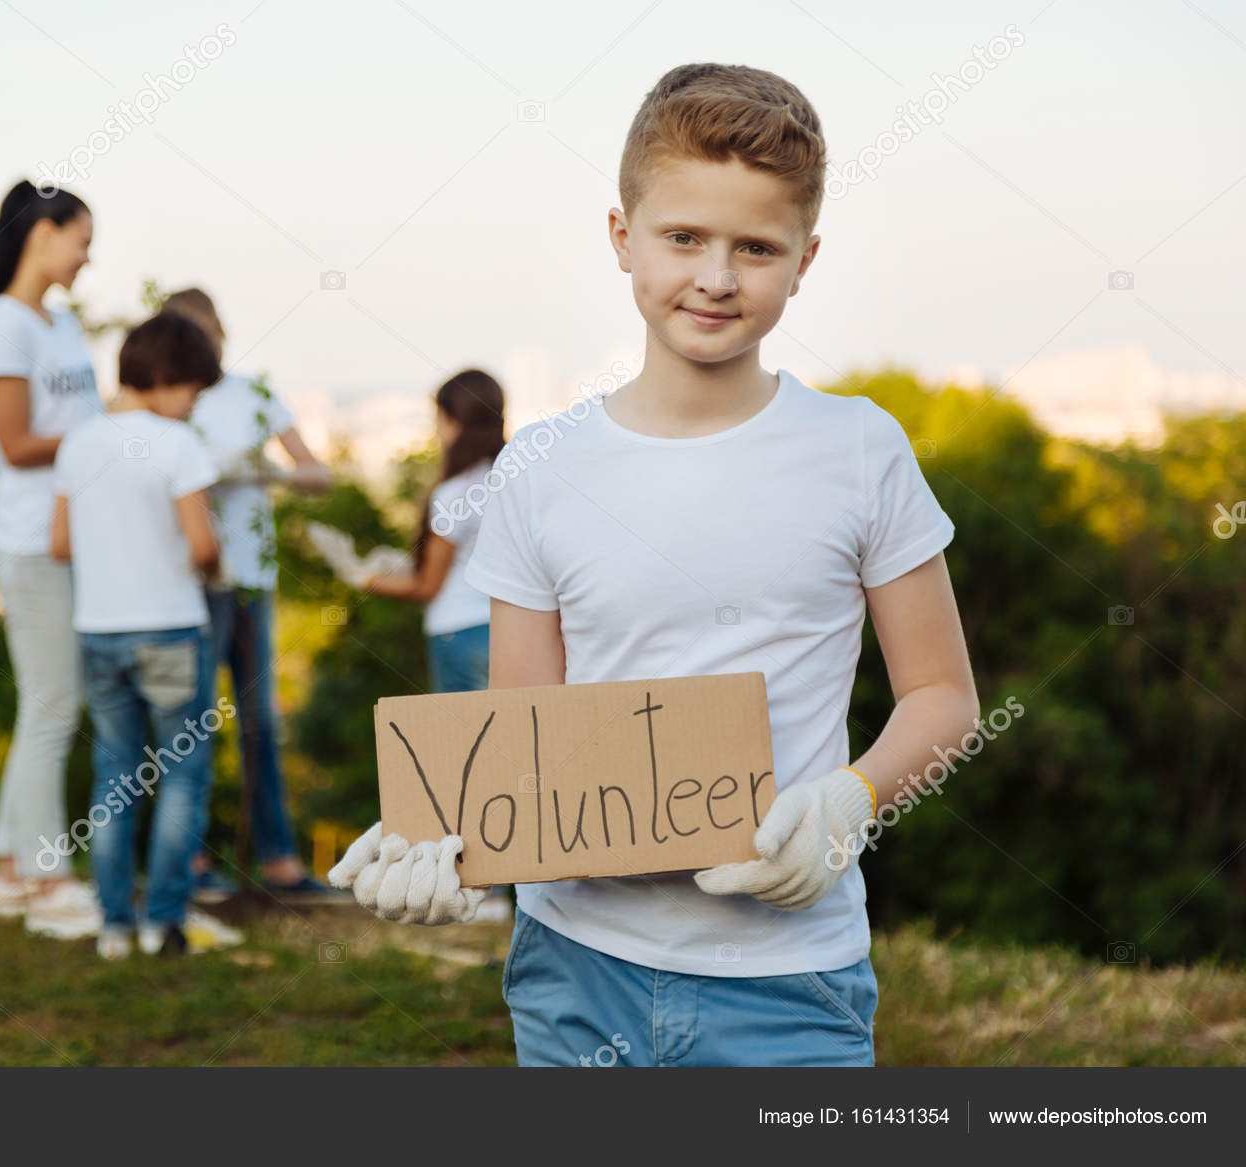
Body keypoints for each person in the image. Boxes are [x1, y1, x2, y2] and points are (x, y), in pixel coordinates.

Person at [330, 63, 981, 1066]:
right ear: (621, 237)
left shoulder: (860, 449)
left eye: (755, 248)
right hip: (574, 972)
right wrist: (440, 847)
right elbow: (519, 741)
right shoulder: (539, 472)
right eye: (684, 237)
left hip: (788, 979)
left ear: (804, 260)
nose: (715, 277)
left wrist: (850, 800)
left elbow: (942, 697)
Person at [50, 312, 239, 959]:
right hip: (171, 629)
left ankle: (113, 925)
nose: (191, 406)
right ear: (165, 378)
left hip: (99, 631)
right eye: (191, 390)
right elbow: (204, 543)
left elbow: (58, 543)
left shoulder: (79, 444)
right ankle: (163, 921)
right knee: (183, 777)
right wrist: (209, 567)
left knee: (114, 775)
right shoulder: (176, 443)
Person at [159, 289, 340, 904]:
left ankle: (280, 863)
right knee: (192, 726)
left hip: (252, 581)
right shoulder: (169, 399)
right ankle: (190, 864)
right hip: (192, 579)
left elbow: (319, 474)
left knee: (260, 721)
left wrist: (267, 472)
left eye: (206, 331)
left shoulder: (253, 394)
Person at [0, 179, 103, 940]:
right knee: (53, 706)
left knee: (44, 704)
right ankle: (48, 874)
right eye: (81, 239)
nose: (87, 256)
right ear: (44, 233)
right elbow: (17, 445)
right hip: (28, 542)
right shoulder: (4, 325)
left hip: (68, 538)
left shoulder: (63, 322)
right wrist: (107, 433)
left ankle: (9, 870)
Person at [360, 370, 501, 695]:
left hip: (458, 631)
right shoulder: (514, 479)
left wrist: (366, 579)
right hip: (510, 628)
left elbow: (427, 586)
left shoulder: (454, 493)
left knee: (466, 742)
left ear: (453, 420)